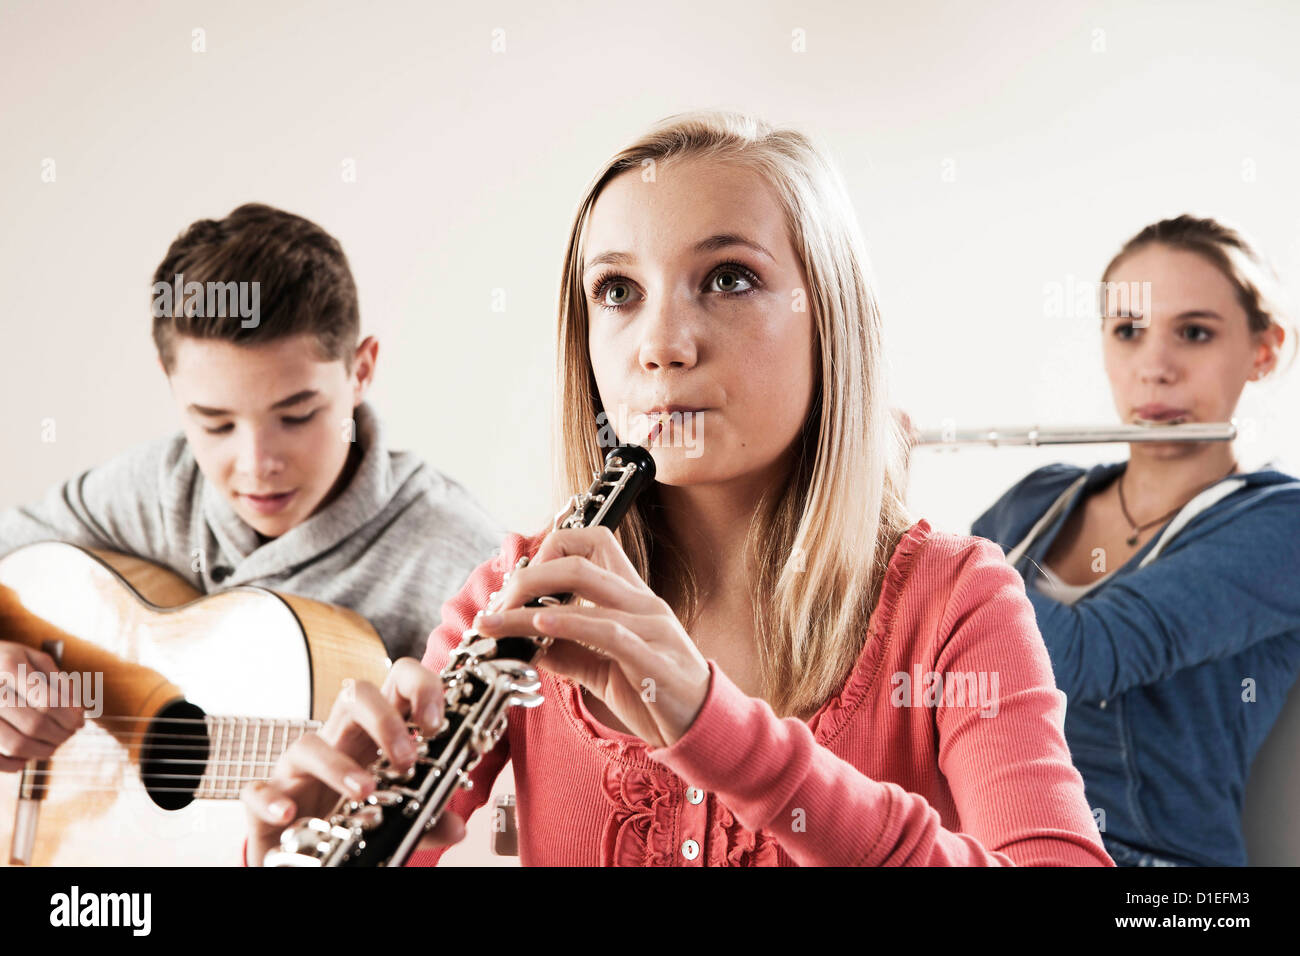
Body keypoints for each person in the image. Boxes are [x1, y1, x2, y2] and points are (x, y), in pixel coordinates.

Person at [242, 112, 1113, 867]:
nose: (660, 346)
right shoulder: (516, 593)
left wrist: (716, 727)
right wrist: (299, 836)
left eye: (728, 279)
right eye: (618, 291)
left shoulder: (957, 603)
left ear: (832, 317)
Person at [0, 203, 504, 775]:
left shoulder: (464, 565)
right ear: (171, 382)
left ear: (360, 371)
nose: (257, 464)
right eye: (215, 424)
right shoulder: (161, 487)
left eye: (297, 416)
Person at [971, 215, 1300, 866]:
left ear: (1264, 350)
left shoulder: (1282, 522)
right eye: (1129, 331)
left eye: (1195, 333)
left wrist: (884, 512)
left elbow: (1083, 658)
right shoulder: (1038, 498)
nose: (1155, 368)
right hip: (985, 848)